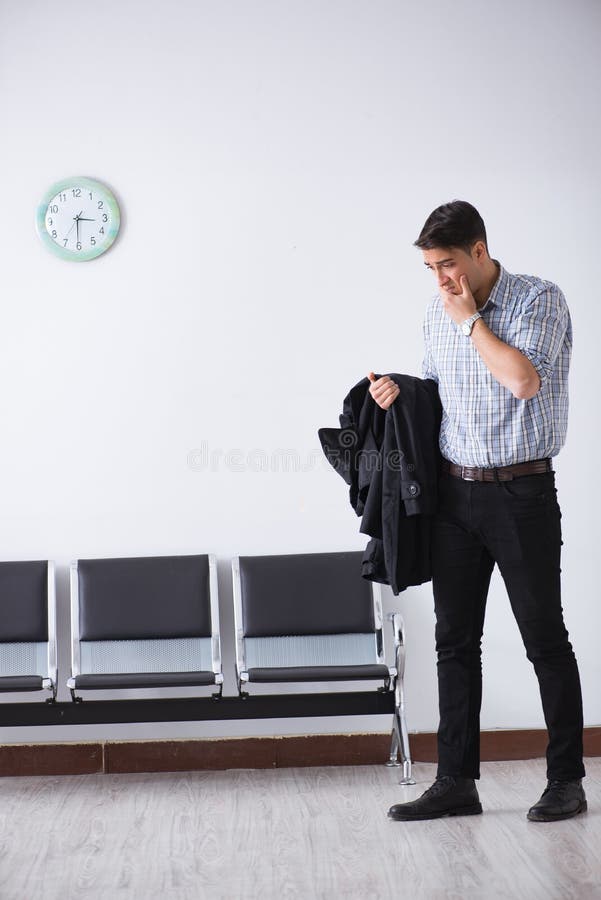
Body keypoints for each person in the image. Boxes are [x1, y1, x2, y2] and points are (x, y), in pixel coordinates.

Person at [369, 200, 586, 823]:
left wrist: (469, 322)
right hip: (453, 496)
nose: (440, 279)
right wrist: (398, 393)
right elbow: (441, 398)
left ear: (480, 251)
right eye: (431, 267)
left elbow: (523, 381)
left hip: (521, 495)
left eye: (449, 264)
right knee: (454, 642)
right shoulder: (437, 312)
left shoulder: (538, 300)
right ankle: (456, 781)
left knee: (544, 639)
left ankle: (566, 781)